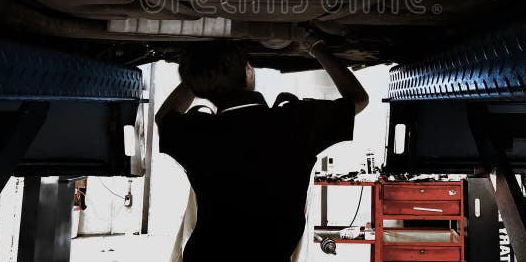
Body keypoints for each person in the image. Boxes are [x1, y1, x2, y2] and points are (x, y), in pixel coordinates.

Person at [156, 39, 369, 262]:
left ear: (198, 85)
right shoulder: (295, 121)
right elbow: (359, 99)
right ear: (248, 70)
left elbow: (164, 118)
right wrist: (316, 46)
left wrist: (201, 75)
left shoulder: (197, 132)